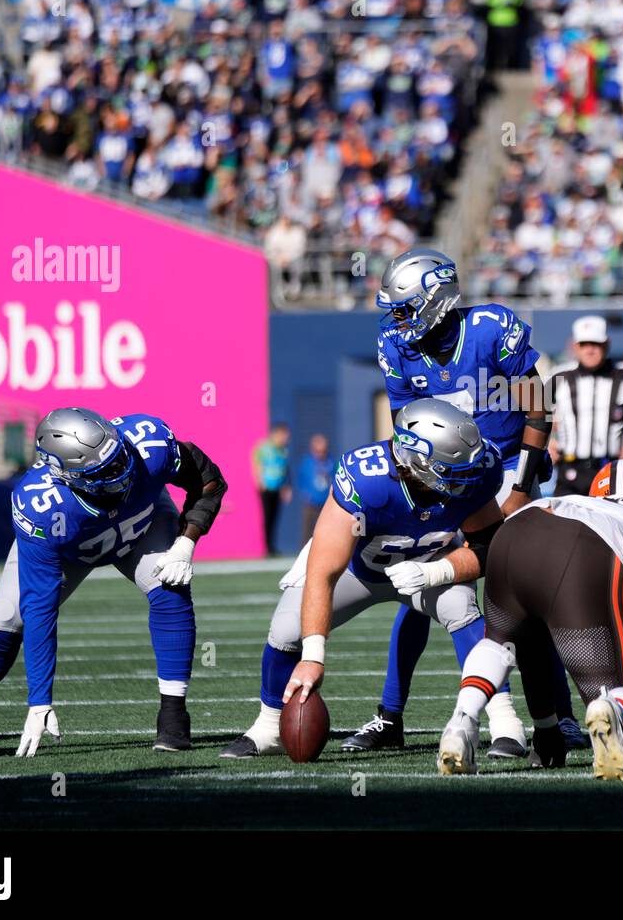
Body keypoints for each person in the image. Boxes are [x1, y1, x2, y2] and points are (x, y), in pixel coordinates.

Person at [353, 247, 582, 753]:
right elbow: (403, 427)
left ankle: (560, 716)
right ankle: (390, 717)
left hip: (502, 469)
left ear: (435, 299)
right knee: (420, 593)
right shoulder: (395, 344)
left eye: (406, 306)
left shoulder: (490, 327)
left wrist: (521, 487)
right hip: (439, 474)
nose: (397, 318)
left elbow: (537, 407)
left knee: (525, 594)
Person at [0, 407, 227, 757]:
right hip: (71, 550)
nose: (122, 473)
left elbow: (208, 480)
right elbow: (39, 607)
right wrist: (39, 702)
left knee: (169, 582)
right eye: (106, 471)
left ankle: (174, 716)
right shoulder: (41, 505)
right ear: (65, 474)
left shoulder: (149, 444)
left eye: (119, 459)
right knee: (5, 615)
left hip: (142, 526)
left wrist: (186, 542)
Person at [221, 400, 527, 759]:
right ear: (417, 461)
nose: (466, 478)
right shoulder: (366, 479)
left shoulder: (475, 473)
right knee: (287, 629)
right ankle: (270, 726)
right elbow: (323, 570)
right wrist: (314, 656)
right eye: (452, 470)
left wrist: (433, 571)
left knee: (461, 606)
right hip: (358, 571)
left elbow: (489, 549)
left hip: (425, 570)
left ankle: (505, 722)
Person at [438, 460, 623, 779]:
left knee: (500, 644)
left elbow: (533, 646)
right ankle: (611, 710)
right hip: (589, 546)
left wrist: (547, 733)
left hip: (515, 531)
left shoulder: (578, 501)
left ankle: (462, 721)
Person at [548, 315, 623, 495]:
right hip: (570, 471)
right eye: (584, 344)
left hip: (613, 469)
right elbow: (535, 409)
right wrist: (547, 441)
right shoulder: (559, 377)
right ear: (575, 346)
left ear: (607, 344)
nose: (590, 350)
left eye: (595, 344)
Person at [252, 423, 292, 557]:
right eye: (284, 435)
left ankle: (272, 546)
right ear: (276, 434)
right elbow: (257, 463)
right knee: (267, 517)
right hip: (266, 488)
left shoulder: (283, 450)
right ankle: (267, 547)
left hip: (278, 488)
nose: (285, 439)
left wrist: (286, 487)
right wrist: (259, 481)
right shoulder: (264, 447)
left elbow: (285, 470)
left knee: (275, 518)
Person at [296, 433, 331, 543]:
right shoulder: (307, 463)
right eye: (317, 451)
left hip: (325, 504)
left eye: (323, 451)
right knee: (307, 531)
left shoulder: (331, 462)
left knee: (326, 531)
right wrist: (306, 494)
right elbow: (301, 480)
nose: (320, 454)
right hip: (311, 504)